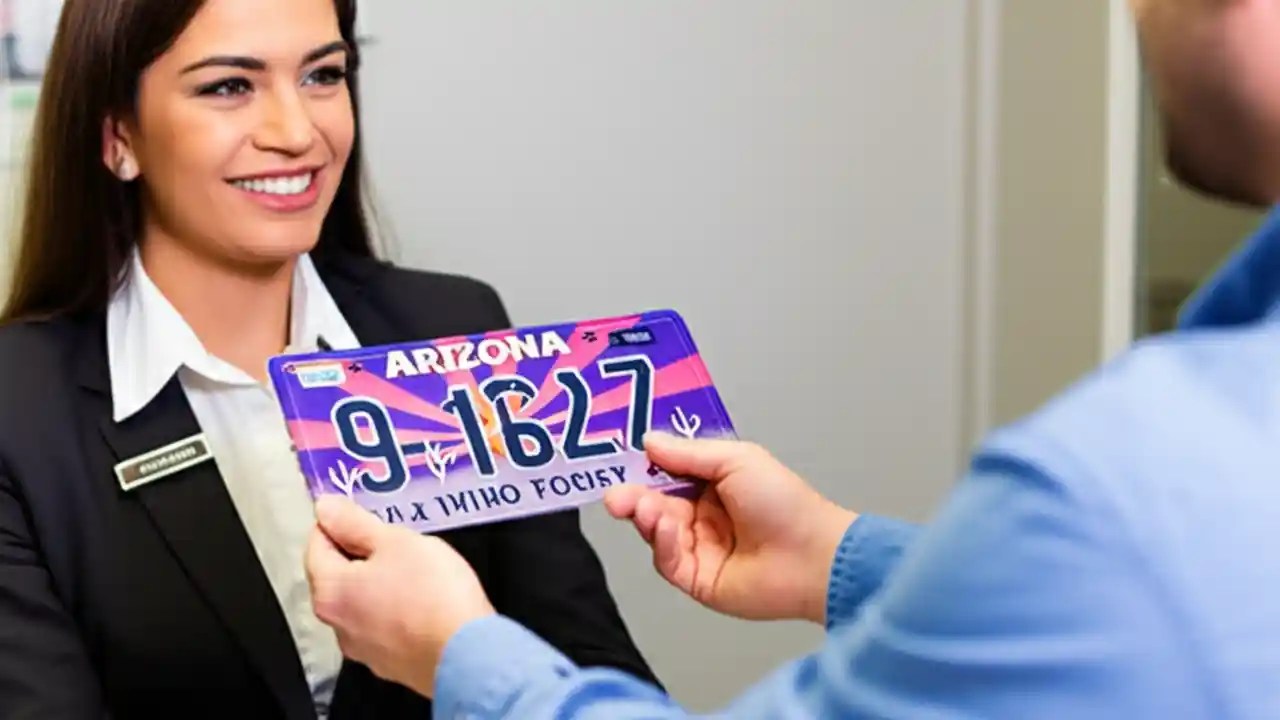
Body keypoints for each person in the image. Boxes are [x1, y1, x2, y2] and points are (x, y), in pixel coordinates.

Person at [303, 0, 1280, 717]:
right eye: (232, 84)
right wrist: (841, 558)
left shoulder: (1133, 487)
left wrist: (458, 657)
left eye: (325, 74)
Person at [0, 0, 657, 717]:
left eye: (323, 75)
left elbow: (585, 669)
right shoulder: (19, 410)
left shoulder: (454, 328)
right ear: (117, 135)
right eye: (229, 86)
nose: (297, 133)